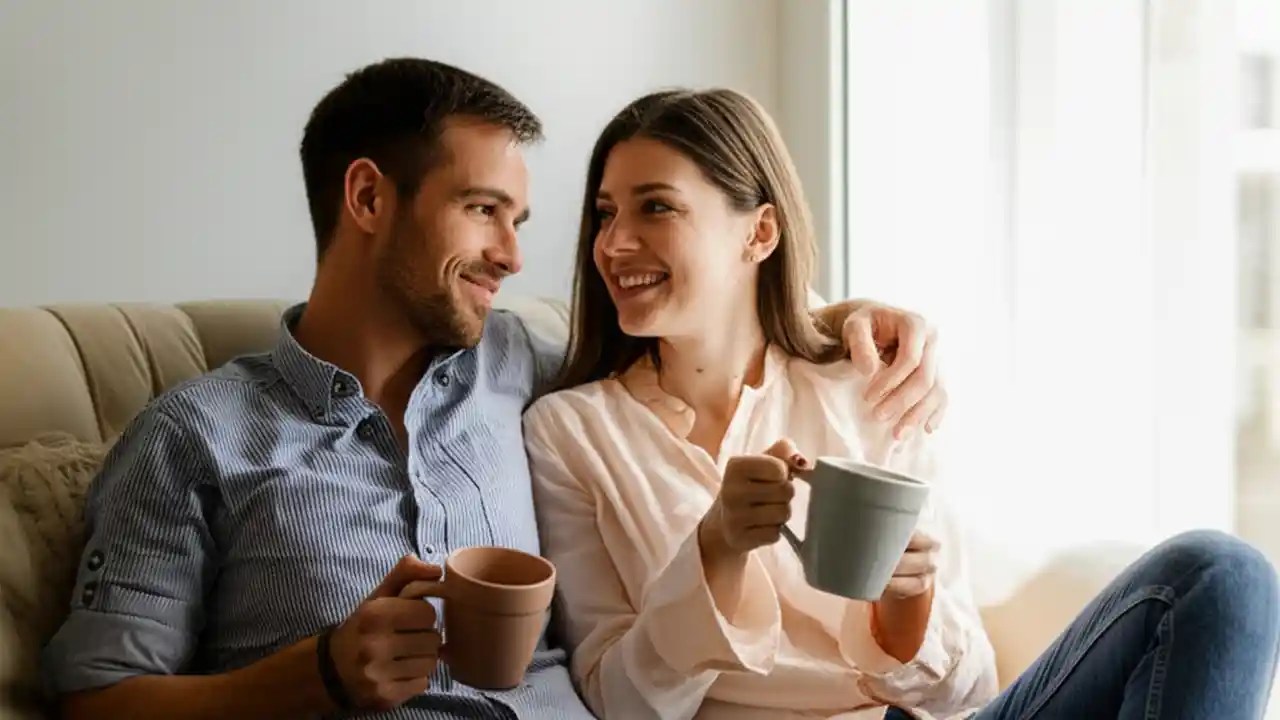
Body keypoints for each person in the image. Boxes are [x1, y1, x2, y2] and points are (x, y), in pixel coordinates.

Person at [42, 59, 949, 720]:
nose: (514, 256)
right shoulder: (196, 435)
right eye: (483, 211)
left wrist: (844, 320)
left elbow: (704, 337)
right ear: (367, 198)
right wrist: (317, 673)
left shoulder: (525, 371)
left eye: (519, 221)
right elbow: (94, 699)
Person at [523, 87, 1280, 720]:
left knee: (1222, 575)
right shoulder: (573, 433)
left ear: (759, 233)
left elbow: (968, 693)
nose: (614, 243)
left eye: (655, 208)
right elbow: (615, 701)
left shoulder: (867, 382)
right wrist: (714, 551)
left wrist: (904, 609)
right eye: (604, 213)